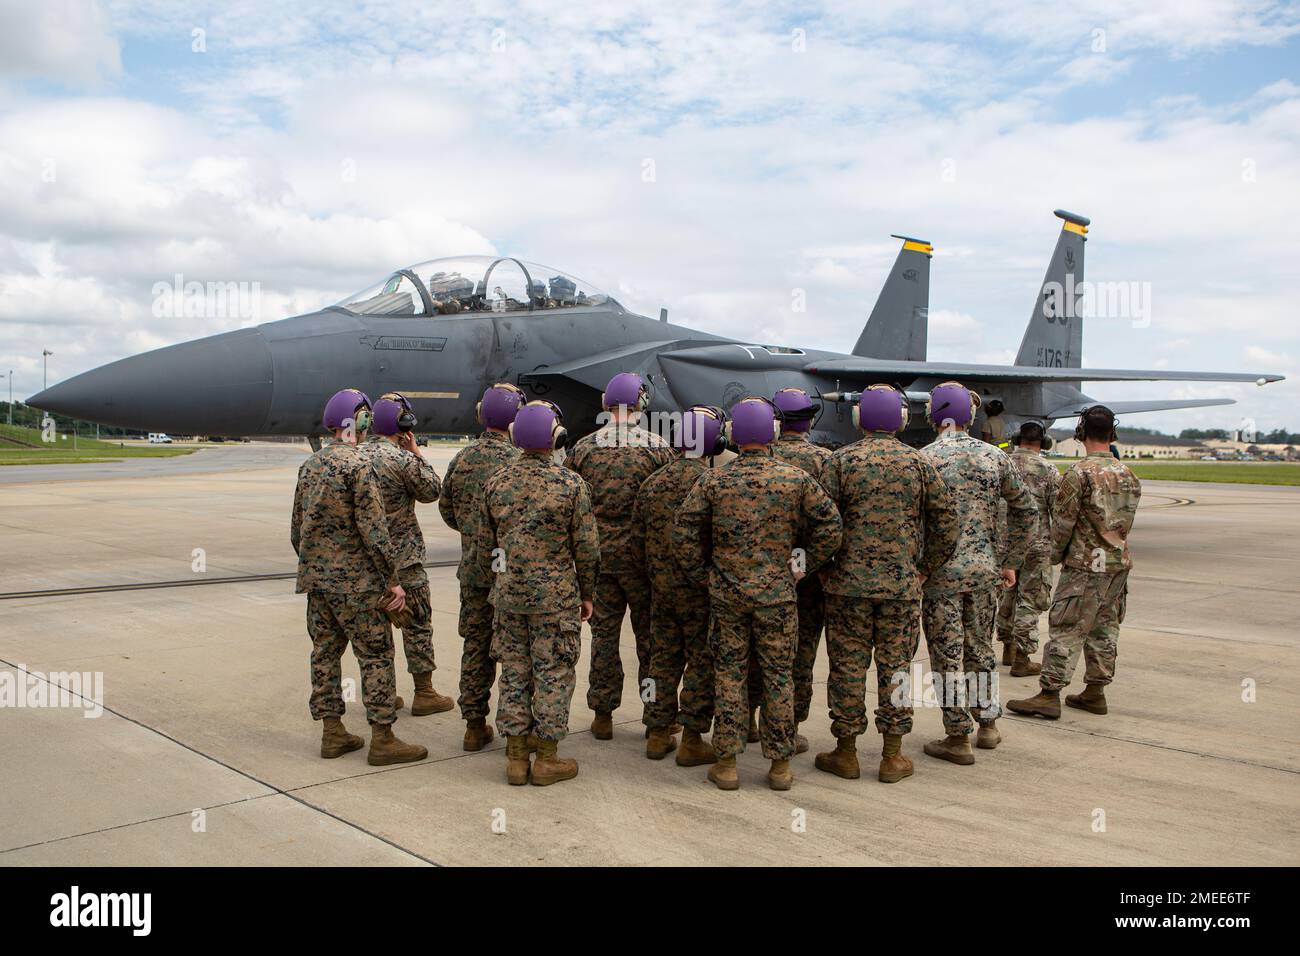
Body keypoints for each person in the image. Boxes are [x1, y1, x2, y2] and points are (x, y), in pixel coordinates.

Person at [674, 397, 842, 791]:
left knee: (729, 675)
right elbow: (831, 527)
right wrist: (801, 564)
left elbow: (683, 533)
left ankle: (727, 764)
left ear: (732, 435)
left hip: (727, 597)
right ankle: (780, 765)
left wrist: (705, 576)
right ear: (774, 433)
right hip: (777, 598)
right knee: (779, 676)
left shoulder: (713, 481)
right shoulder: (796, 480)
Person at [816, 385, 959, 783]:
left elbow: (819, 521)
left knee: (847, 669)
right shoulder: (919, 463)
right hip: (901, 589)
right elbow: (947, 522)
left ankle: (846, 752)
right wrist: (925, 568)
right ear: (902, 420)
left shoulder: (840, 462)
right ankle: (892, 756)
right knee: (896, 669)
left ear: (859, 419)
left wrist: (825, 567)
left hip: (847, 588)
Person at [291, 388, 426, 766]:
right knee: (376, 655)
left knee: (324, 653)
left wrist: (317, 565)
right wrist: (392, 581)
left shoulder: (311, 466)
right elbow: (374, 531)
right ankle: (383, 739)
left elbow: (297, 530)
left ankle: (332, 732)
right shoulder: (359, 466)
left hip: (318, 584)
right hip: (359, 586)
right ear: (363, 421)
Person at [478, 401, 600, 785]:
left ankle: (516, 758)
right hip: (555, 600)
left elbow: (484, 549)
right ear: (555, 437)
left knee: (514, 674)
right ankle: (547, 759)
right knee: (554, 673)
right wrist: (587, 593)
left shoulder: (495, 483)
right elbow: (587, 549)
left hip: (509, 599)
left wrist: (501, 582)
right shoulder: (571, 484)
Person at [919, 382, 1036, 766]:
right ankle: (987, 724)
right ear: (970, 416)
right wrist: (1011, 559)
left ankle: (957, 736)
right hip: (985, 573)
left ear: (933, 414)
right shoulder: (994, 457)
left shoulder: (925, 459)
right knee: (981, 649)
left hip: (939, 576)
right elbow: (1026, 509)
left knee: (947, 655)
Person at [1009, 406, 1141, 720]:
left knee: (1067, 627)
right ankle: (1095, 691)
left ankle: (1049, 694)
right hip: (1117, 564)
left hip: (1084, 565)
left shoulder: (1078, 473)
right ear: (1112, 434)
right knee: (1105, 629)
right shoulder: (1128, 474)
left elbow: (1063, 522)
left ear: (1081, 433)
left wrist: (1055, 556)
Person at [565, 372, 673, 741]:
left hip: (599, 564)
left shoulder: (583, 449)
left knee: (604, 641)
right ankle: (656, 721)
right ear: (641, 404)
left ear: (605, 404)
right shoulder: (657, 448)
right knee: (651, 644)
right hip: (643, 565)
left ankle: (602, 715)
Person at [634, 405, 727, 765]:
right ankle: (691, 738)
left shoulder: (652, 483)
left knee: (661, 661)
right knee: (701, 662)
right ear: (714, 443)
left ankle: (658, 733)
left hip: (662, 592)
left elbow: (636, 540)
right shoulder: (714, 484)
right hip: (701, 592)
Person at [438, 383, 524, 750]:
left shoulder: (463, 458)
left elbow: (446, 508)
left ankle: (474, 726)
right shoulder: (519, 462)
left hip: (473, 571)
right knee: (516, 652)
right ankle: (518, 732)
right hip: (512, 575)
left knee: (476, 645)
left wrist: (472, 533)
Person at [359, 393, 454, 717]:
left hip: (366, 562)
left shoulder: (355, 457)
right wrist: (417, 453)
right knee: (417, 625)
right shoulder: (401, 460)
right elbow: (431, 491)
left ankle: (382, 696)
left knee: (373, 633)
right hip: (404, 560)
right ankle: (424, 693)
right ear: (404, 424)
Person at [768, 386, 833, 754]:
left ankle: (751, 722)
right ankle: (788, 728)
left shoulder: (755, 458)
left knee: (756, 653)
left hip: (760, 574)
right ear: (809, 420)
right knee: (801, 652)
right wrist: (809, 564)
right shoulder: (826, 461)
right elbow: (833, 522)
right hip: (807, 575)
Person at [995, 421, 1061, 676]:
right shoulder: (1048, 469)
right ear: (1044, 443)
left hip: (1003, 543)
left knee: (1006, 596)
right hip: (1036, 544)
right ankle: (1022, 658)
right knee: (1030, 600)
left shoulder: (1002, 464)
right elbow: (1058, 511)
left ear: (1015, 439)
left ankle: (1008, 648)